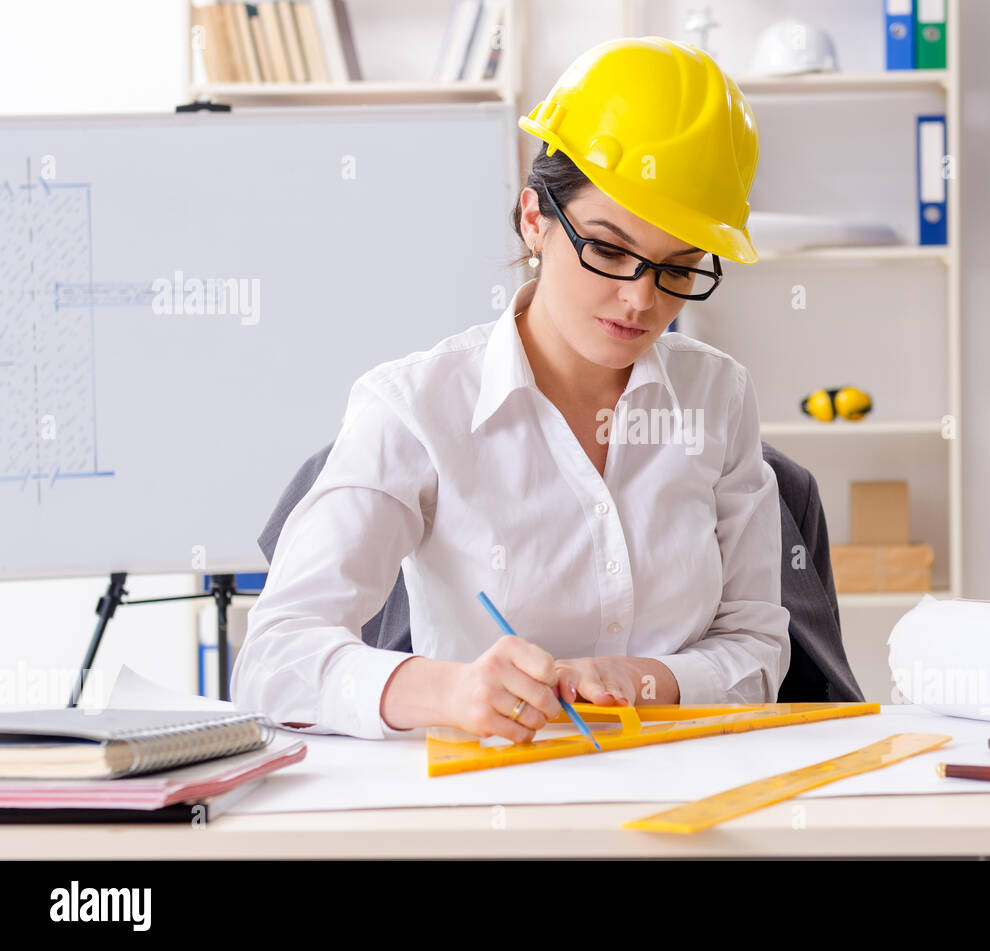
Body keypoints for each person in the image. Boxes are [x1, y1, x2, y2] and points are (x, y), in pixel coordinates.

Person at [230, 36, 790, 742]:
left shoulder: (718, 397)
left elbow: (758, 647)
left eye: (678, 267)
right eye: (610, 249)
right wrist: (446, 690)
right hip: (493, 801)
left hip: (687, 803)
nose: (640, 300)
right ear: (535, 220)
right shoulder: (416, 407)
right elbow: (272, 657)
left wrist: (649, 679)